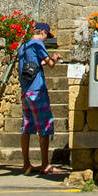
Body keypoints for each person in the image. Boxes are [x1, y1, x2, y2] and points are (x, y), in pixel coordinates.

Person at [18, 21, 61, 176]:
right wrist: (55, 58)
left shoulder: (24, 46)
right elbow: (49, 64)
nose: (46, 39)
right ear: (42, 32)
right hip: (37, 91)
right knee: (44, 126)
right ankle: (45, 164)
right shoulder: (37, 44)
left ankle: (26, 164)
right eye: (46, 36)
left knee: (26, 128)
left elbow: (33, 64)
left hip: (25, 92)